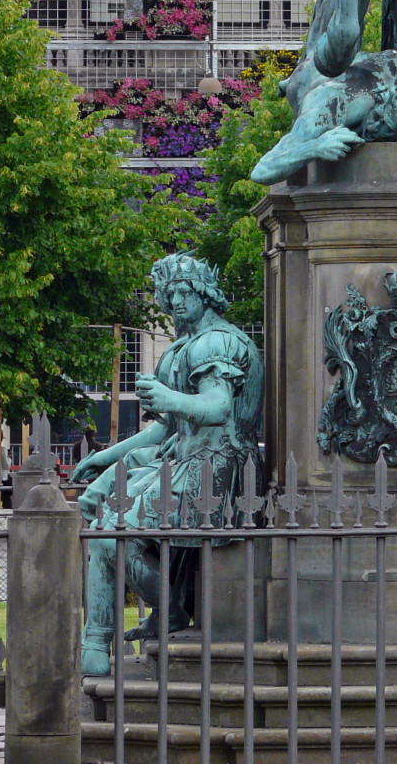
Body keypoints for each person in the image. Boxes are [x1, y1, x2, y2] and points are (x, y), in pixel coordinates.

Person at [72, 254, 262, 676]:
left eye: (184, 292)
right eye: (169, 293)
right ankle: (117, 631)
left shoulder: (219, 342)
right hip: (181, 458)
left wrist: (168, 398)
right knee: (96, 505)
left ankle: (118, 633)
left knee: (108, 534)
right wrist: (105, 455)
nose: (175, 300)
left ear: (204, 293)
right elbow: (164, 429)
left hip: (217, 471)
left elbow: (218, 406)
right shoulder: (181, 348)